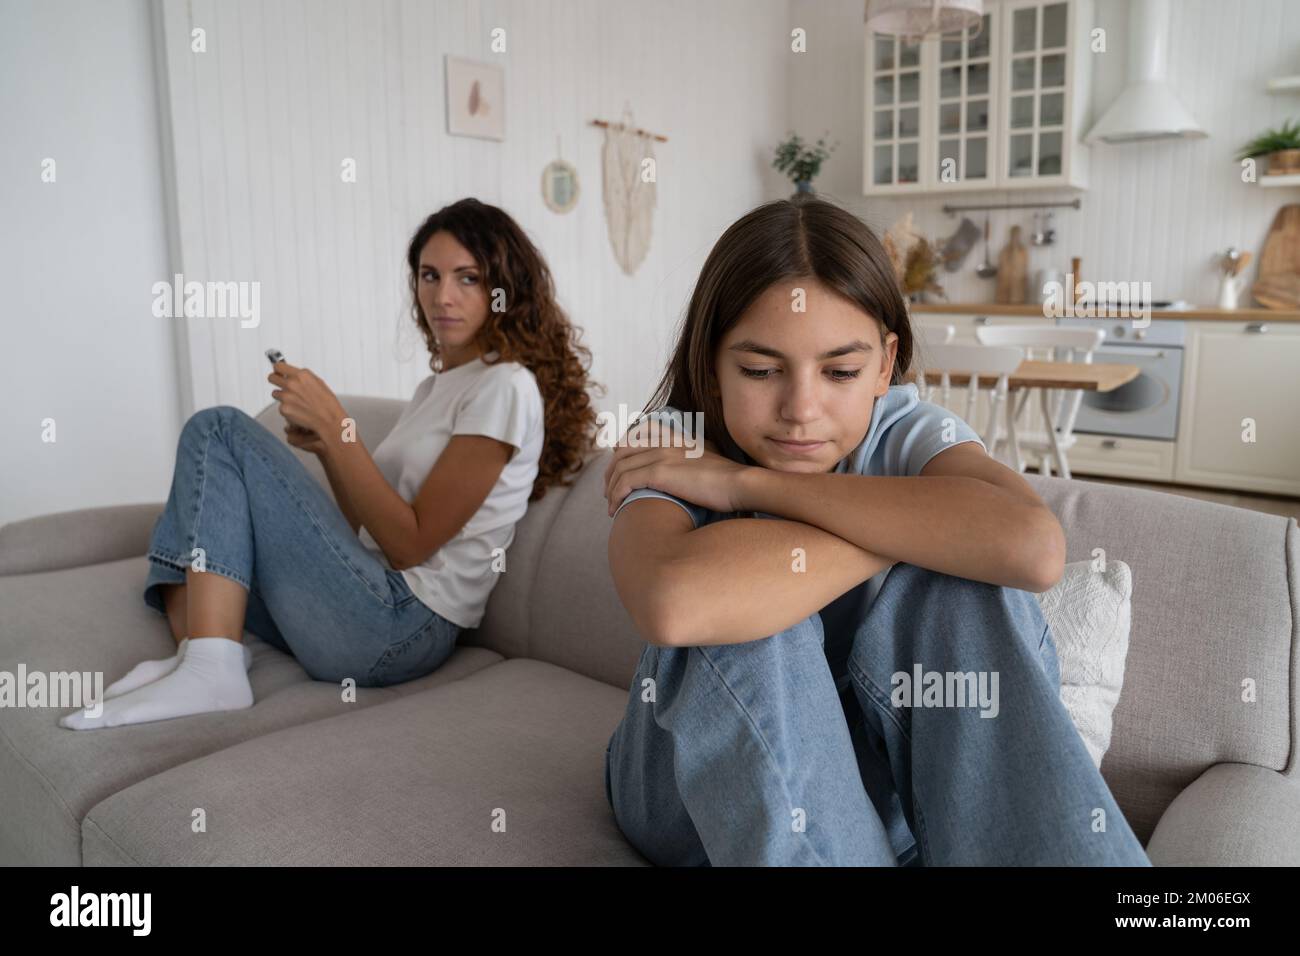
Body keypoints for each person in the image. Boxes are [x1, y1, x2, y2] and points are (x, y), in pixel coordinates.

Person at [601, 195, 1151, 866]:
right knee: (743, 608)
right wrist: (918, 521)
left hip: (872, 800)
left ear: (885, 365)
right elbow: (674, 602)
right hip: (682, 800)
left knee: (961, 587)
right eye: (760, 370)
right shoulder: (671, 447)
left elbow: (1032, 551)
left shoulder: (906, 433)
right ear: (712, 366)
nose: (801, 409)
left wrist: (745, 484)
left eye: (840, 371)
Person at [61, 198, 599, 730]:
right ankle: (205, 654)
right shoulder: (435, 387)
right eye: (429, 275)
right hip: (364, 596)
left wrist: (341, 429)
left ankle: (211, 666)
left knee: (219, 429)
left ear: (505, 291)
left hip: (402, 625)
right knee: (194, 520)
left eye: (469, 278)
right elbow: (366, 528)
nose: (443, 296)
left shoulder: (505, 385)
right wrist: (327, 446)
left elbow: (411, 545)